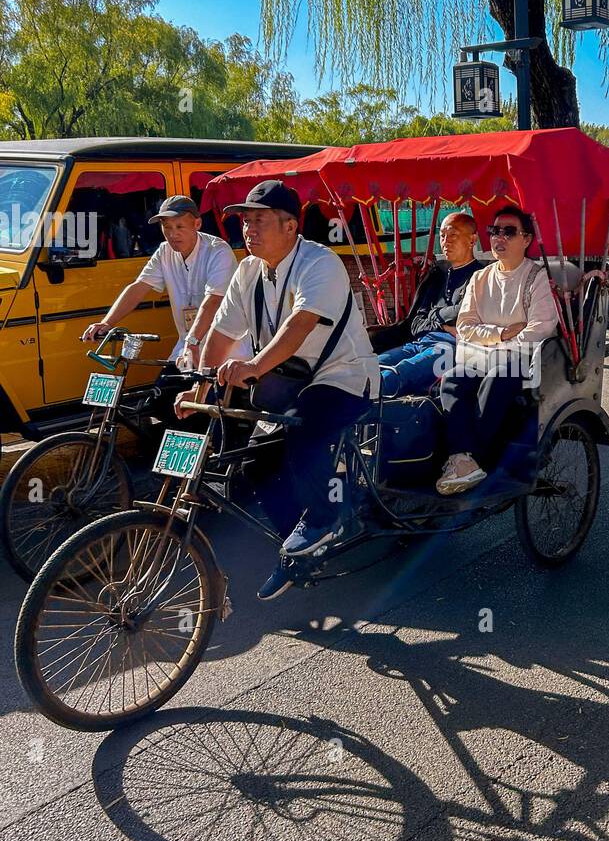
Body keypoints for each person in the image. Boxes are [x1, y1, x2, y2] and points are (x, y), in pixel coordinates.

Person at [174, 180, 379, 601]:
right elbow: (222, 332)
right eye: (245, 221)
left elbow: (297, 325)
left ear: (291, 226)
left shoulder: (319, 263)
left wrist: (251, 366)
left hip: (342, 377)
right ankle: (298, 548)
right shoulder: (248, 270)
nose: (248, 229)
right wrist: (201, 383)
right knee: (256, 465)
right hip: (286, 380)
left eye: (259, 220)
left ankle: (325, 519)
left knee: (302, 437)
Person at [436, 203, 559, 495]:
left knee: (499, 376)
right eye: (494, 231)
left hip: (522, 360)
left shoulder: (536, 277)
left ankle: (472, 458)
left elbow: (541, 328)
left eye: (509, 232)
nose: (498, 238)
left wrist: (500, 343)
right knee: (452, 379)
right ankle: (463, 458)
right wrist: (501, 333)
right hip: (482, 356)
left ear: (526, 239)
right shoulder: (480, 278)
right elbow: (465, 326)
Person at [81, 195, 241, 418]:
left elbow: (213, 301)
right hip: (186, 348)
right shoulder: (165, 251)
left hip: (222, 348)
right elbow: (139, 287)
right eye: (166, 227)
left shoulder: (218, 251)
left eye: (179, 226)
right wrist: (107, 323)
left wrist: (193, 341)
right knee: (161, 402)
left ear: (197, 224)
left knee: (204, 413)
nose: (173, 233)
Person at [372, 212, 480, 396]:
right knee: (369, 367)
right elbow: (415, 323)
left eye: (453, 235)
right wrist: (443, 324)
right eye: (443, 236)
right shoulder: (437, 276)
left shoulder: (481, 276)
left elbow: (463, 313)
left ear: (472, 239)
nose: (446, 241)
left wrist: (434, 314)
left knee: (397, 375)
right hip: (419, 342)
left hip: (451, 348)